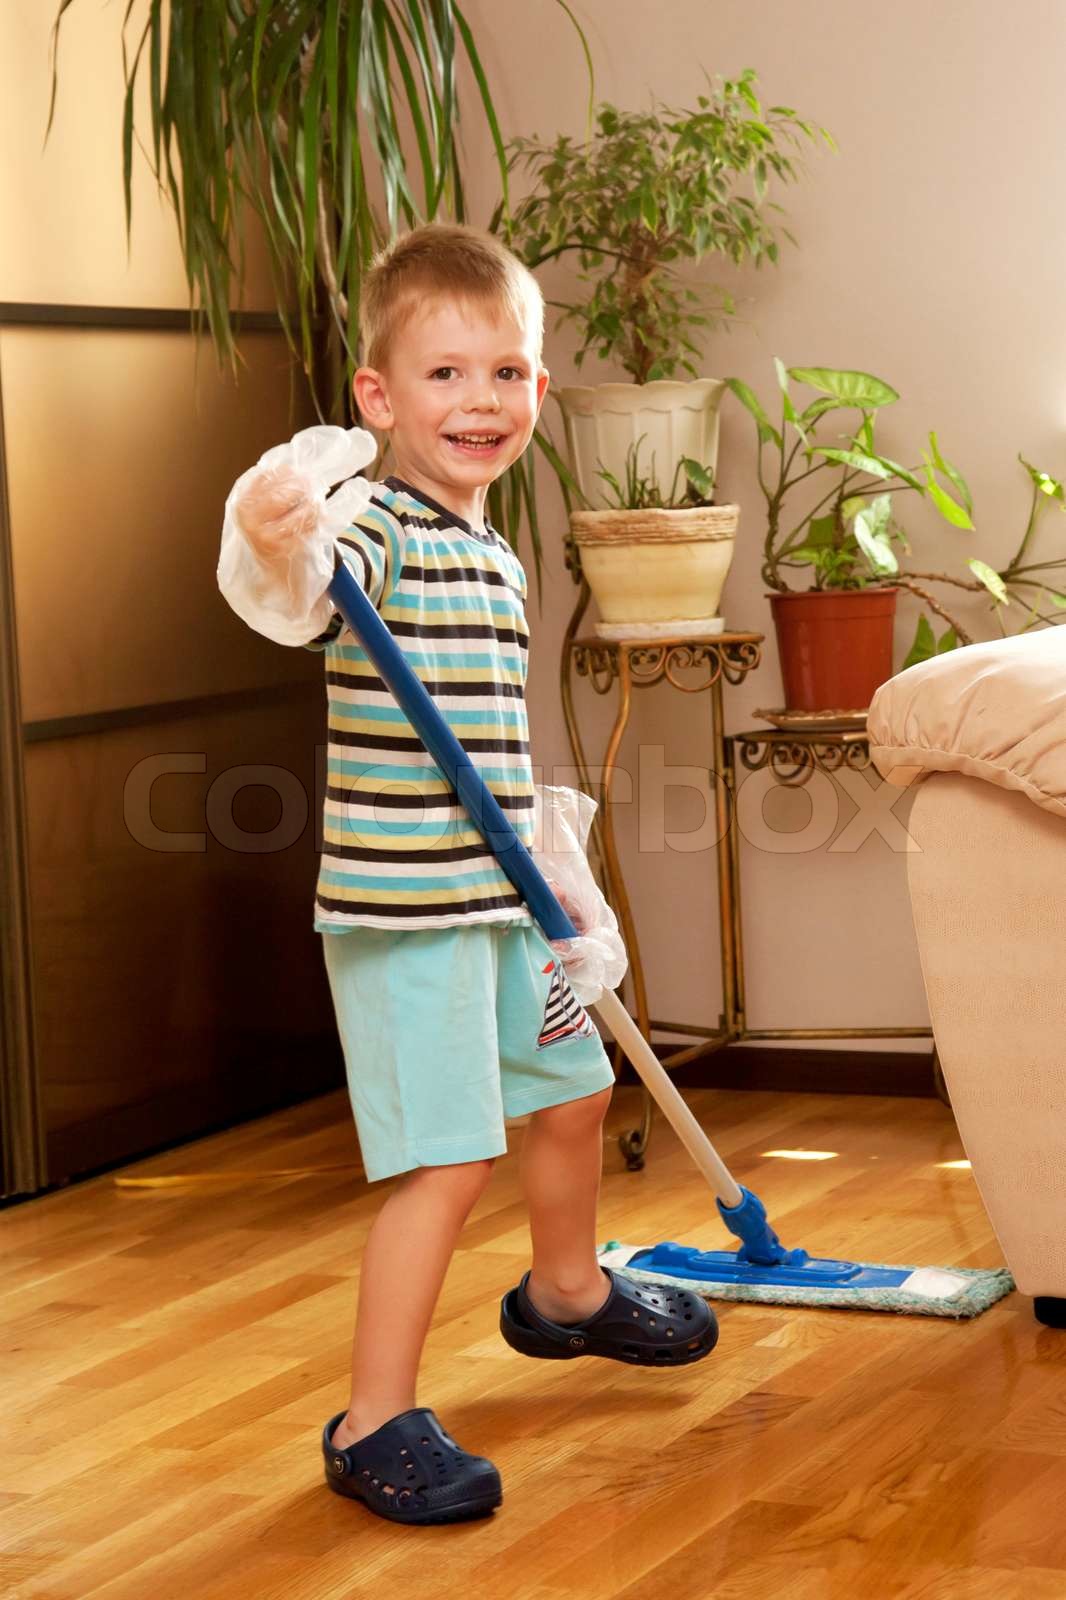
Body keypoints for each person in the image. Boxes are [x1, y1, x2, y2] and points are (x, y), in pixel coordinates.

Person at [219, 223, 718, 1526]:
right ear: (378, 399)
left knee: (568, 1094)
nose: (478, 401)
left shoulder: (494, 556)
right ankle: (370, 1416)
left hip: (502, 905)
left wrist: (557, 876)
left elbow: (493, 742)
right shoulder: (372, 529)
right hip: (407, 921)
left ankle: (564, 1294)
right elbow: (300, 587)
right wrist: (276, 533)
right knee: (444, 1160)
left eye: (503, 372)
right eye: (442, 376)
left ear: (536, 393)